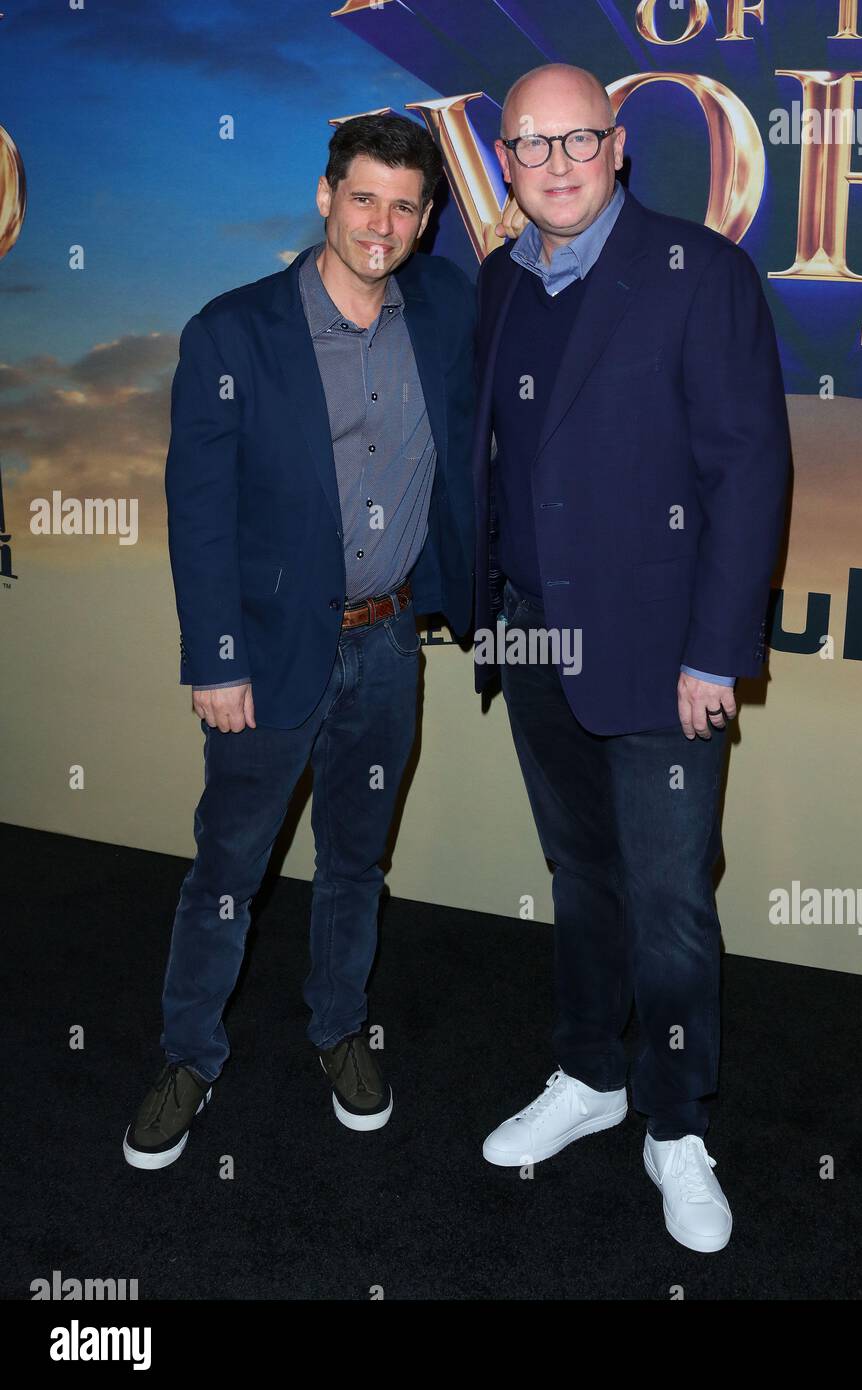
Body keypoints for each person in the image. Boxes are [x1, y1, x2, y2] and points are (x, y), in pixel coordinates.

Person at [472, 64, 792, 1252]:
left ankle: (674, 1123)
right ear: (503, 160)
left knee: (667, 906)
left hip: (666, 662)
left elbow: (747, 472)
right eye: (530, 144)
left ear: (618, 150)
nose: (554, 163)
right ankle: (589, 1075)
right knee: (581, 879)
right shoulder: (499, 279)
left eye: (578, 140)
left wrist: (718, 654)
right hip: (535, 634)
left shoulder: (699, 272)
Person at [123, 113, 475, 1169]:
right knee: (229, 862)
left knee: (356, 861)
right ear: (326, 198)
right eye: (364, 198)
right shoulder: (234, 332)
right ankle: (189, 1054)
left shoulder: (449, 309)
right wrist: (215, 658)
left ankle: (337, 1031)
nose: (383, 223)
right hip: (271, 651)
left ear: (427, 220)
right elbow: (200, 510)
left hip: (388, 646)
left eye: (405, 206)